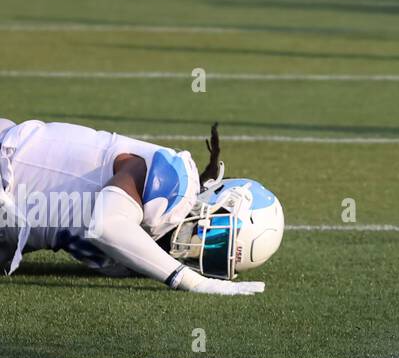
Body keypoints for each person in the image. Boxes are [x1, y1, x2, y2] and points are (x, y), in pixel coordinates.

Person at [0, 118, 279, 295]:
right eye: (215, 239)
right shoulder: (174, 179)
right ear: (215, 201)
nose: (200, 253)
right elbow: (106, 226)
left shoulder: (134, 257)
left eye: (215, 261)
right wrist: (190, 281)